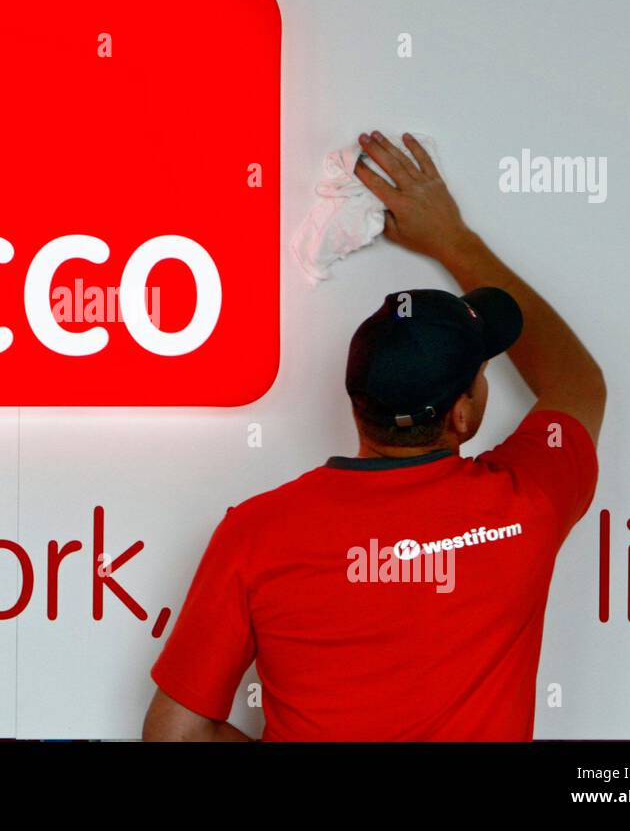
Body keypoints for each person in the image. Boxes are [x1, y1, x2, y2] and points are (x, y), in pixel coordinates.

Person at [142, 131, 606, 741]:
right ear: (462, 415)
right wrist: (453, 241)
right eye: (482, 374)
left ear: (357, 401)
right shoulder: (527, 506)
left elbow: (174, 735)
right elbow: (578, 381)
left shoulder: (255, 535)